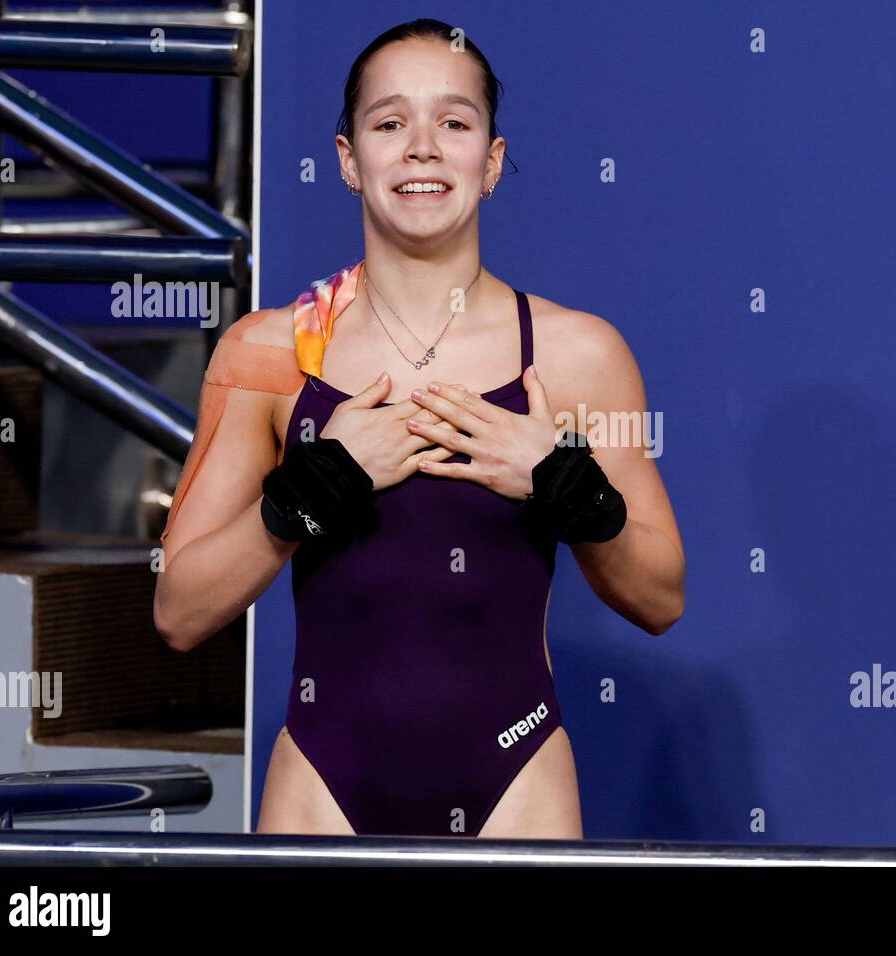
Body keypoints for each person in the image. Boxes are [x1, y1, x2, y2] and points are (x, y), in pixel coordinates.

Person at [152, 18, 685, 839]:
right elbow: (179, 612)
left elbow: (661, 596)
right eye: (391, 122)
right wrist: (305, 493)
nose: (423, 148)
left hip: (518, 781)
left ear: (493, 162)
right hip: (321, 787)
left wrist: (565, 482)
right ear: (347, 158)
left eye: (456, 123)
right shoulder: (268, 352)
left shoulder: (579, 356)